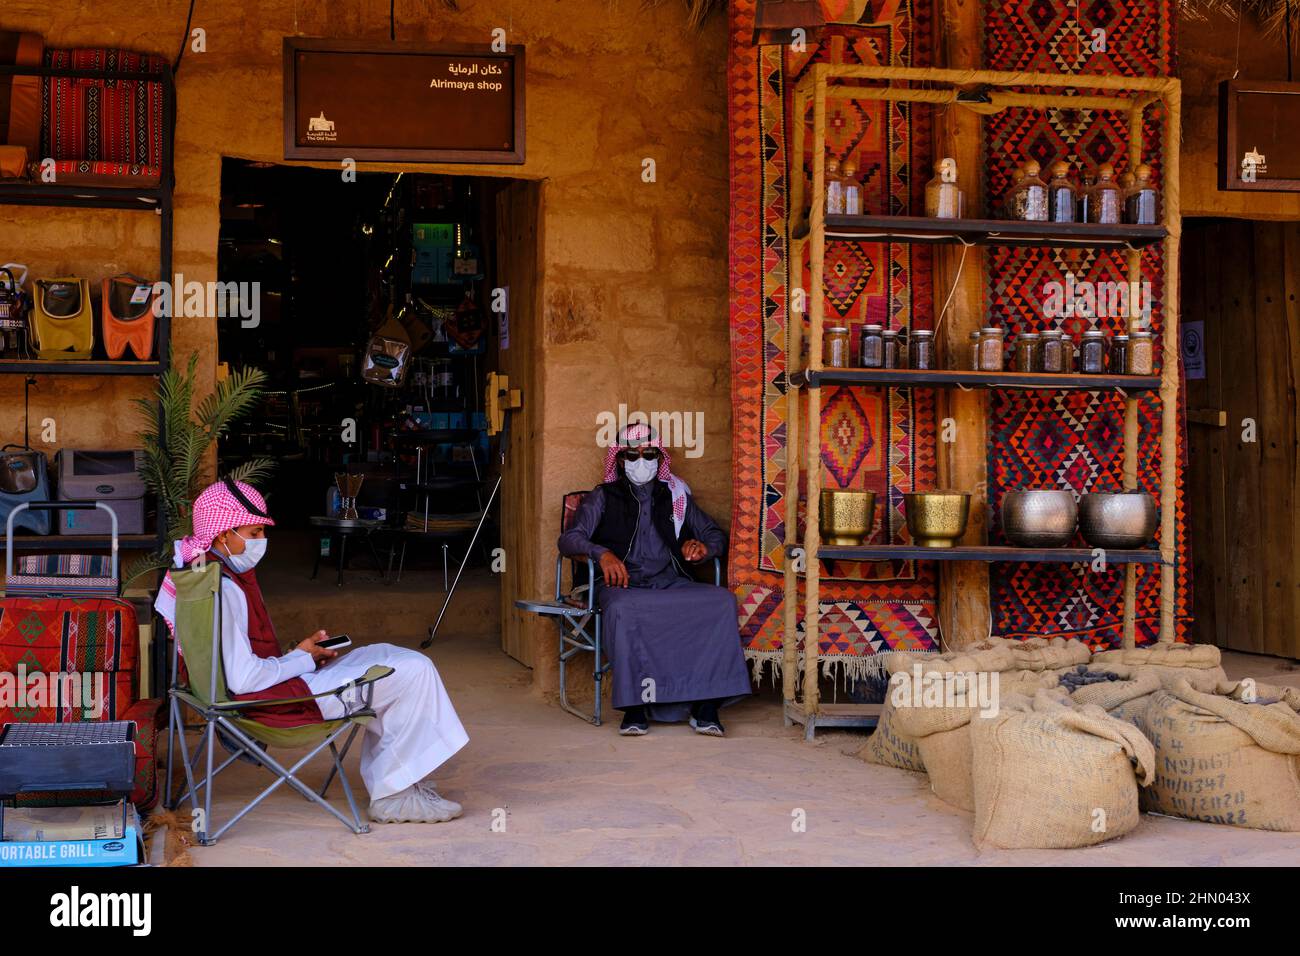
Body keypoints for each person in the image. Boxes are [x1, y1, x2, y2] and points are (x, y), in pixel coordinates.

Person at [155, 478, 469, 824]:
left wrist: (299, 655)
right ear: (222, 535)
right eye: (255, 532)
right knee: (413, 670)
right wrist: (301, 660)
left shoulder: (199, 572)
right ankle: (394, 794)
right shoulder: (224, 589)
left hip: (253, 691)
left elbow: (236, 664)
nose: (262, 542)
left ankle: (399, 779)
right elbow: (244, 678)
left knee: (384, 653)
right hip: (272, 705)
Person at [558, 423, 751, 736]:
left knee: (721, 601)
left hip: (669, 582)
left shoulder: (673, 495)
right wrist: (601, 553)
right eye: (632, 455)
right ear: (619, 460)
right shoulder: (603, 496)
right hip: (623, 586)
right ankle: (635, 708)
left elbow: (714, 534)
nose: (641, 461)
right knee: (623, 611)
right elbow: (569, 540)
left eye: (649, 454)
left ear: (659, 457)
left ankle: (706, 706)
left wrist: (702, 548)